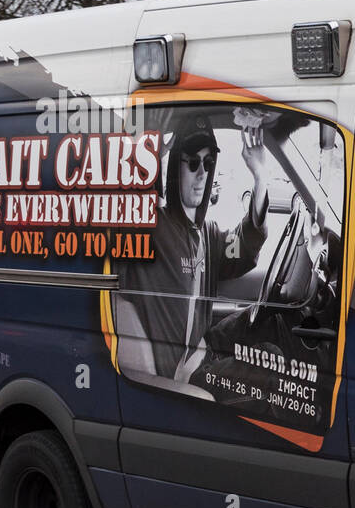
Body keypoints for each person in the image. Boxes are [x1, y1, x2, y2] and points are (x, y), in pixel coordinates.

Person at [114, 111, 270, 385]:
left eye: (209, 163)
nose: (202, 173)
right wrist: (148, 158)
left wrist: (260, 179)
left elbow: (243, 249)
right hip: (184, 374)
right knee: (268, 371)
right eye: (193, 163)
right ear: (175, 167)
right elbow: (126, 213)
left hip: (203, 347)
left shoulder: (209, 232)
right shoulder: (152, 227)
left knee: (266, 322)